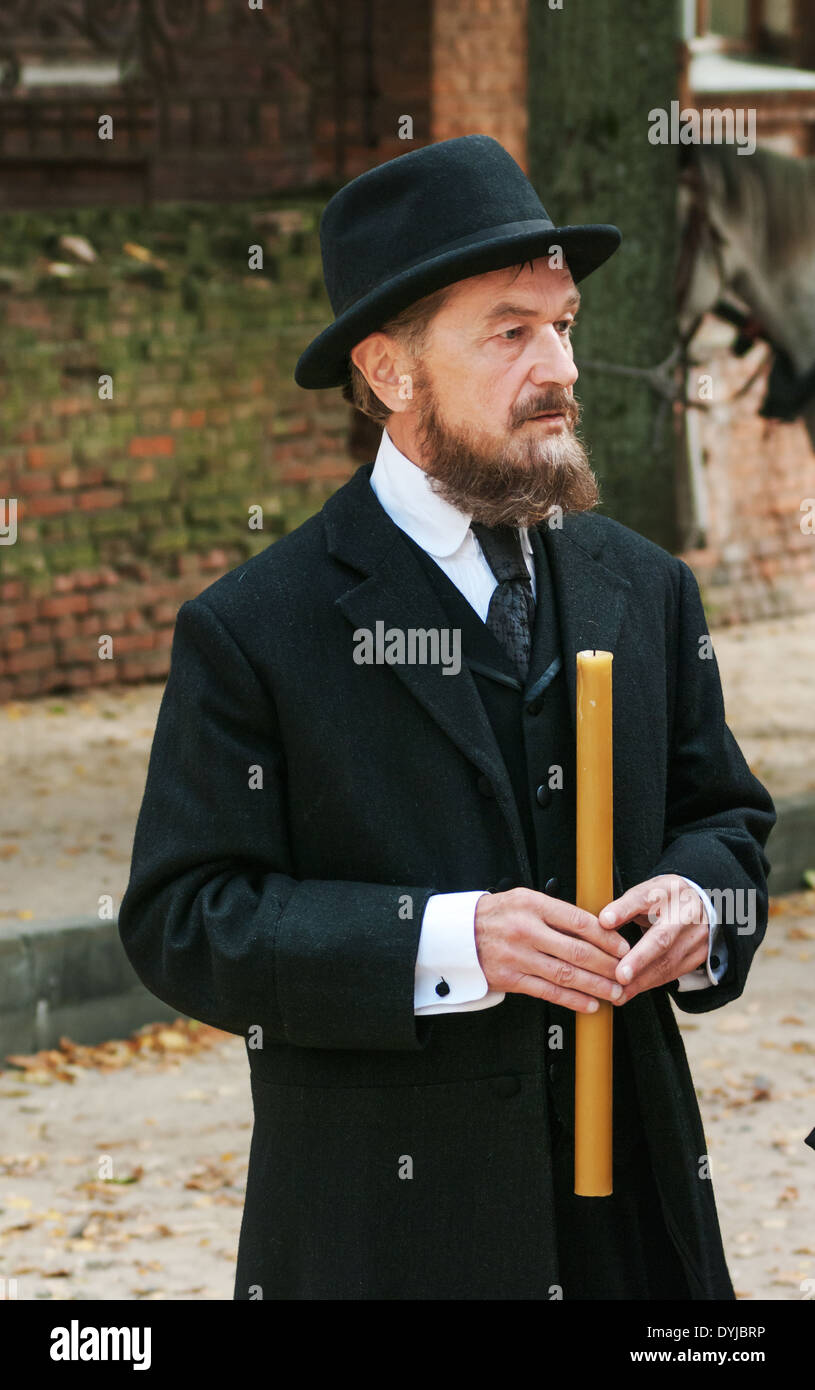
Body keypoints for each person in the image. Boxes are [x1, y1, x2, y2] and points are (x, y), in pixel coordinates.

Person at [117, 134, 776, 1300]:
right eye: (508, 332)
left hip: (636, 1231)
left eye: (561, 324)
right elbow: (185, 920)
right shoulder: (255, 625)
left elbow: (724, 821)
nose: (558, 366)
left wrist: (697, 903)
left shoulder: (645, 587)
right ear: (388, 371)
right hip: (385, 1240)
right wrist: (447, 940)